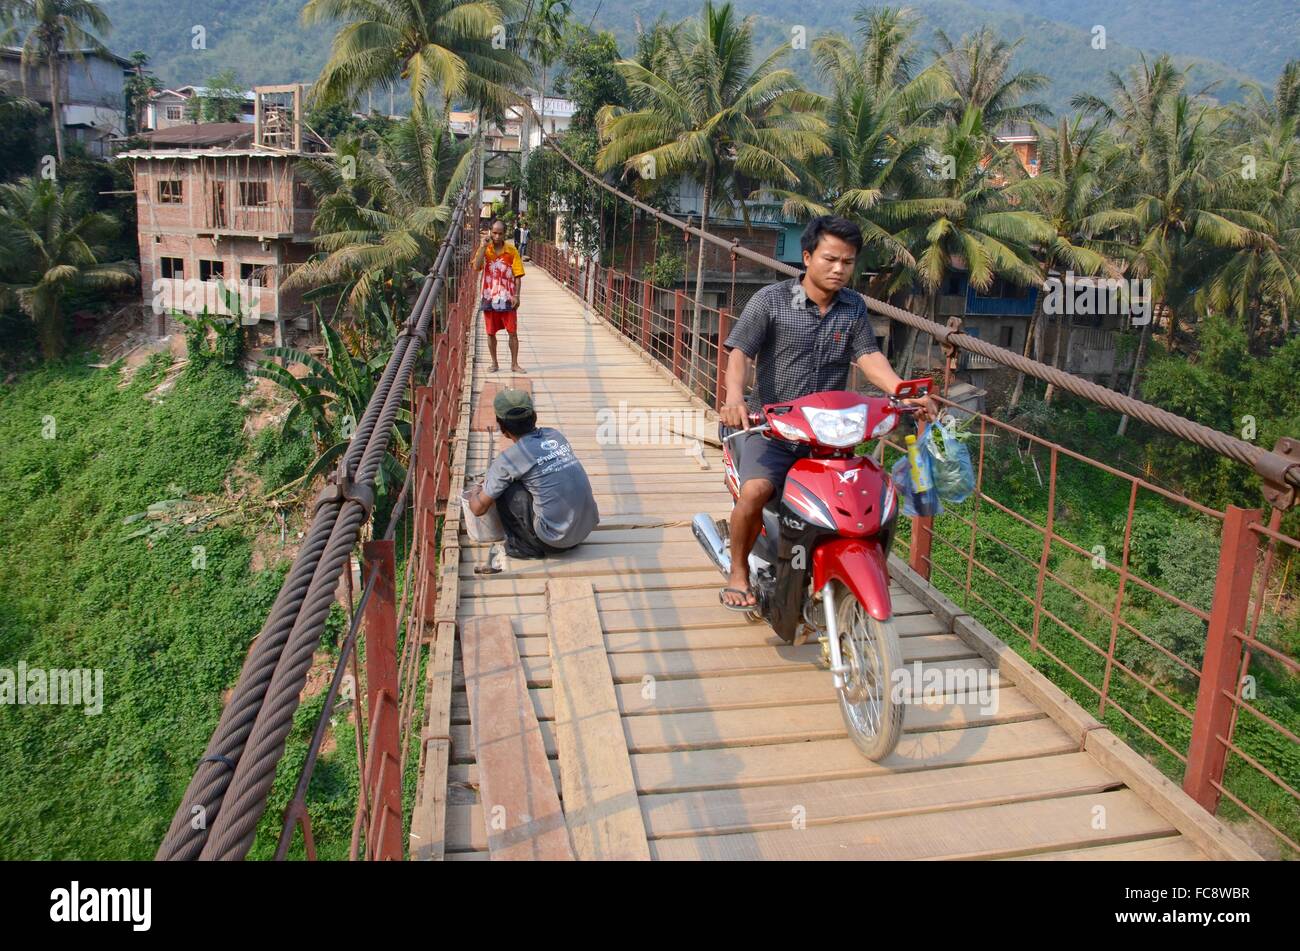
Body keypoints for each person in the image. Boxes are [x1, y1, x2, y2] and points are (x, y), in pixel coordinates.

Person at [716, 214, 937, 611]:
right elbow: (740, 353)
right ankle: (738, 572)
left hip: (830, 435)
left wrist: (903, 392)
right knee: (756, 491)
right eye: (830, 259)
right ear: (807, 257)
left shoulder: (853, 307)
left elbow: (869, 357)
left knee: (867, 494)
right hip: (774, 431)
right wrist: (734, 396)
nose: (839, 269)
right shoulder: (770, 301)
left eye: (847, 262)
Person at [466, 389, 600, 559]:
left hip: (555, 540)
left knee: (506, 489)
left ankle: (524, 546)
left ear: (502, 427)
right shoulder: (555, 435)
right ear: (534, 417)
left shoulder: (508, 460)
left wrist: (476, 492)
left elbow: (477, 509)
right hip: (584, 530)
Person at [473, 218, 526, 373]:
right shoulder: (485, 249)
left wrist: (517, 295)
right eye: (494, 233)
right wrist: (482, 247)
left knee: (512, 332)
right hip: (489, 296)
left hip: (508, 297)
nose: (496, 237)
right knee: (490, 332)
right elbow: (477, 266)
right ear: (490, 232)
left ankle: (514, 364)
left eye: (500, 234)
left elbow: (517, 275)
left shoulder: (512, 251)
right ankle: (494, 363)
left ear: (504, 234)